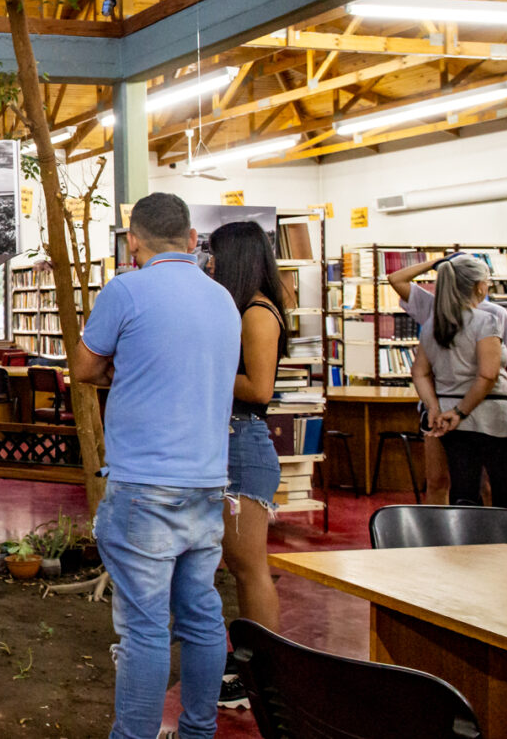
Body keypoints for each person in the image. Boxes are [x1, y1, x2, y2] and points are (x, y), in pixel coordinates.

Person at [69, 193, 241, 739]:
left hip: (144, 484)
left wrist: (126, 370)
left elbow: (83, 367)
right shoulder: (224, 300)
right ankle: (197, 730)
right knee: (202, 617)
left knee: (144, 628)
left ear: (134, 243)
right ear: (193, 240)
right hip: (208, 482)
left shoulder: (126, 289)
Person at [204, 221, 286, 711]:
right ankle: (248, 661)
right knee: (236, 565)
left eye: (214, 254)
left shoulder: (257, 312)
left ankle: (267, 671)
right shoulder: (233, 308)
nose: (209, 262)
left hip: (243, 445)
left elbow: (259, 388)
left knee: (249, 567)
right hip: (224, 443)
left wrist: (203, 372)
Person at [387, 252, 507, 505]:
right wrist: (460, 411)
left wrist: (436, 408)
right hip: (492, 417)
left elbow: (419, 371)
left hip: (448, 417)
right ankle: (505, 543)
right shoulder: (487, 320)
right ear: (479, 286)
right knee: (506, 492)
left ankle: (461, 542)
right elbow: (489, 374)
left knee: (463, 490)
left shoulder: (433, 322)